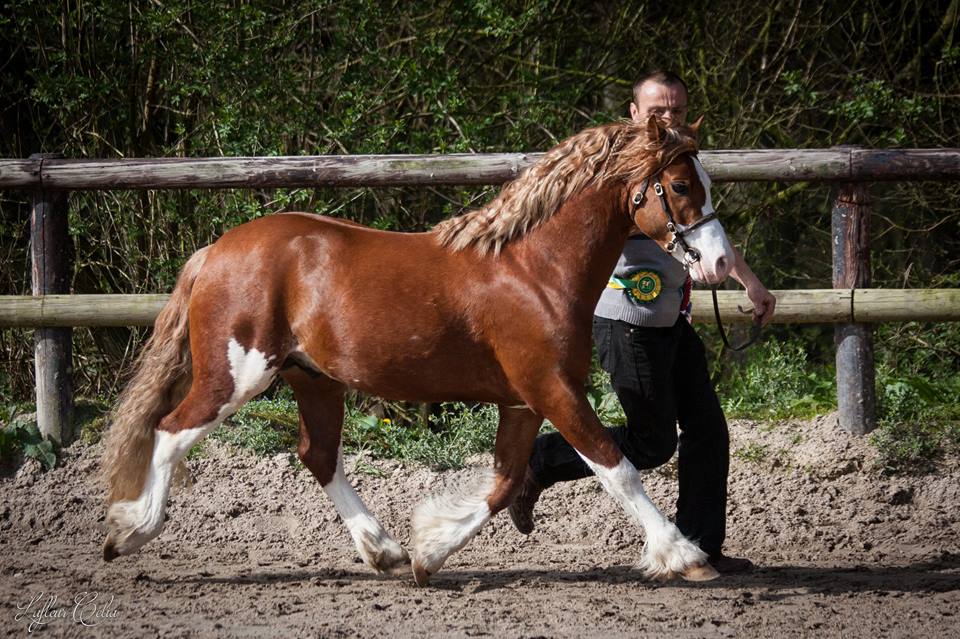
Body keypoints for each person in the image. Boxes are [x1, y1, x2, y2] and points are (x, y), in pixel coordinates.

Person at [507, 70, 777, 574]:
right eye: (657, 110)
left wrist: (750, 281)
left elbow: (702, 227)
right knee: (652, 443)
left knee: (708, 430)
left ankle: (699, 548)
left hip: (672, 318)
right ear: (634, 114)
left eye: (676, 109)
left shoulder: (681, 162)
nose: (668, 118)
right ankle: (538, 462)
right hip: (626, 321)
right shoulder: (613, 173)